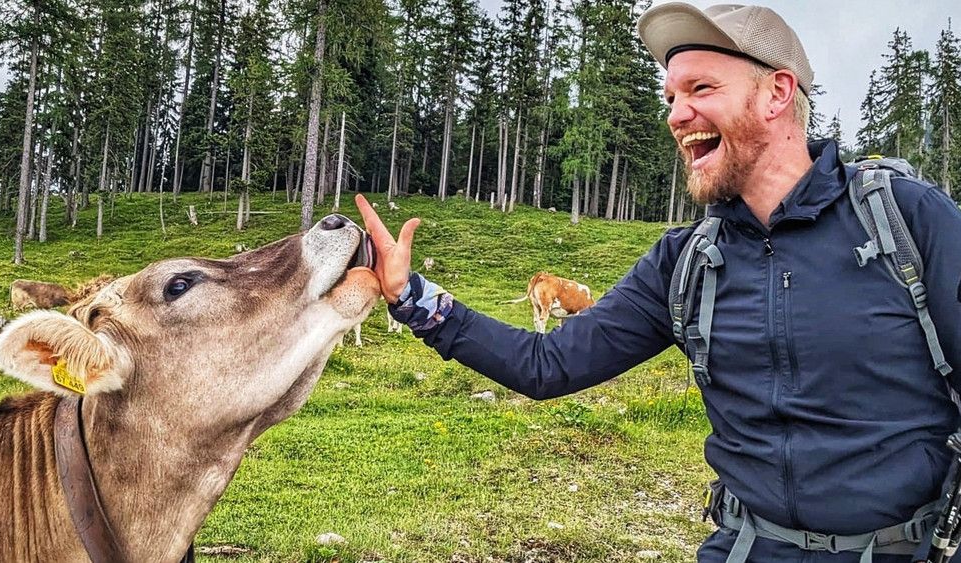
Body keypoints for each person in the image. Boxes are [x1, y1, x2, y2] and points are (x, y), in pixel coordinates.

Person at [354, 3, 961, 562]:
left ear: (777, 92)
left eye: (700, 88)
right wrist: (412, 297)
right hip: (746, 547)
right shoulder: (685, 262)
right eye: (670, 96)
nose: (676, 115)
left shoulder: (906, 220)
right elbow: (547, 365)